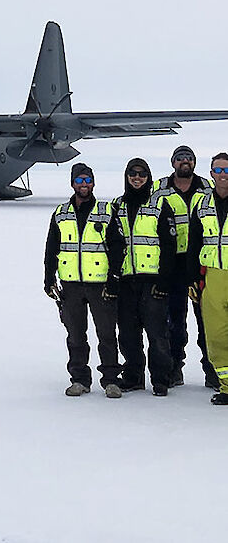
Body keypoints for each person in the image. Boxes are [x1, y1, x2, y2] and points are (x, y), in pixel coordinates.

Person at [44, 163, 121, 397]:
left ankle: (110, 380)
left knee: (106, 334)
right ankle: (79, 379)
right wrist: (49, 279)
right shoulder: (60, 213)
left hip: (100, 285)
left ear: (93, 183)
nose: (84, 185)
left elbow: (118, 247)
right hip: (70, 285)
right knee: (75, 334)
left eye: (87, 180)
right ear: (72, 184)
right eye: (79, 181)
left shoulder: (105, 211)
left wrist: (114, 278)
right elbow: (51, 249)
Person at [107, 157, 177, 396]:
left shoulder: (159, 204)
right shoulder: (117, 206)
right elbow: (110, 244)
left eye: (142, 174)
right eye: (133, 174)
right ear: (126, 177)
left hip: (153, 279)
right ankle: (133, 376)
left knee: (157, 332)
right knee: (127, 332)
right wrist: (113, 278)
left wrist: (164, 280)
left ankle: (160, 378)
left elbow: (170, 244)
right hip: (126, 279)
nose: (137, 178)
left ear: (148, 177)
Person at [152, 145, 218, 388]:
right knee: (174, 319)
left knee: (207, 320)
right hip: (173, 263)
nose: (184, 162)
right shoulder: (159, 189)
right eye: (180, 159)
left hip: (203, 262)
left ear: (194, 162)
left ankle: (212, 370)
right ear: (173, 163)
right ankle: (174, 368)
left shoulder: (207, 189)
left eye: (188, 158)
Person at [188, 152, 228, 405]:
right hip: (212, 277)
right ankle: (226, 386)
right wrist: (193, 278)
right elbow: (194, 243)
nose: (223, 176)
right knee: (216, 335)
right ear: (211, 174)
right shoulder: (201, 204)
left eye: (227, 170)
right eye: (219, 171)